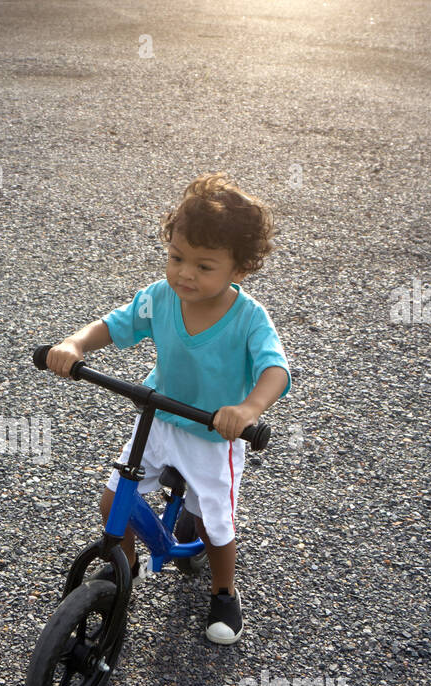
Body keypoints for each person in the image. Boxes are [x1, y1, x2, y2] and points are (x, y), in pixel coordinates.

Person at [45, 172, 291, 644]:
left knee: (213, 522)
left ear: (238, 270)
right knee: (114, 499)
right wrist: (74, 345)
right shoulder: (161, 298)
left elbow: (275, 370)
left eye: (204, 266)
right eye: (177, 258)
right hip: (157, 417)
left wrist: (248, 409)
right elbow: (115, 326)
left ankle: (224, 591)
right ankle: (128, 567)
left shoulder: (249, 319)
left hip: (213, 432)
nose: (185, 274)